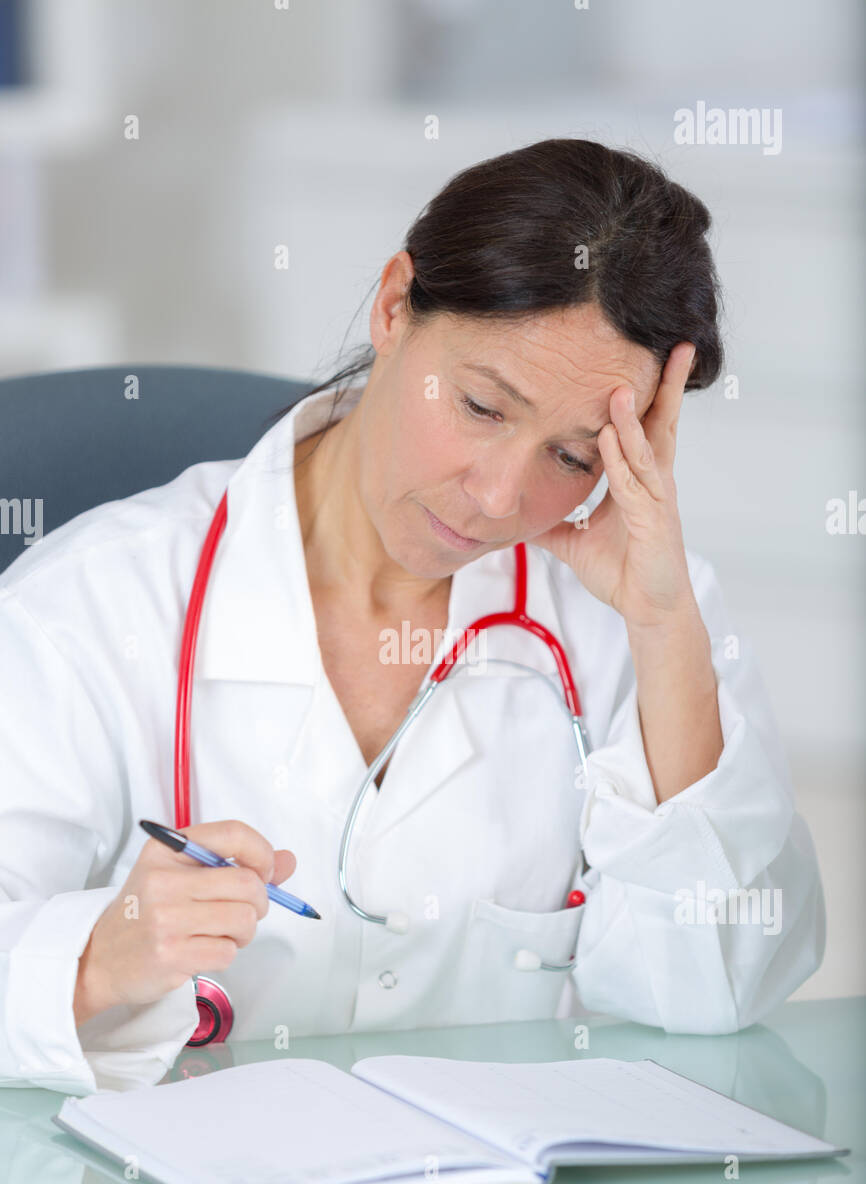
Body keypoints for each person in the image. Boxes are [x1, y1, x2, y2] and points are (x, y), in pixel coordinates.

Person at [0, 138, 825, 1095]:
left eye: (575, 456)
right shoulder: (95, 603)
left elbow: (723, 986)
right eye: (480, 406)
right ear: (395, 304)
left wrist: (665, 623)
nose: (500, 496)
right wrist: (102, 959)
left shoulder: (637, 614)